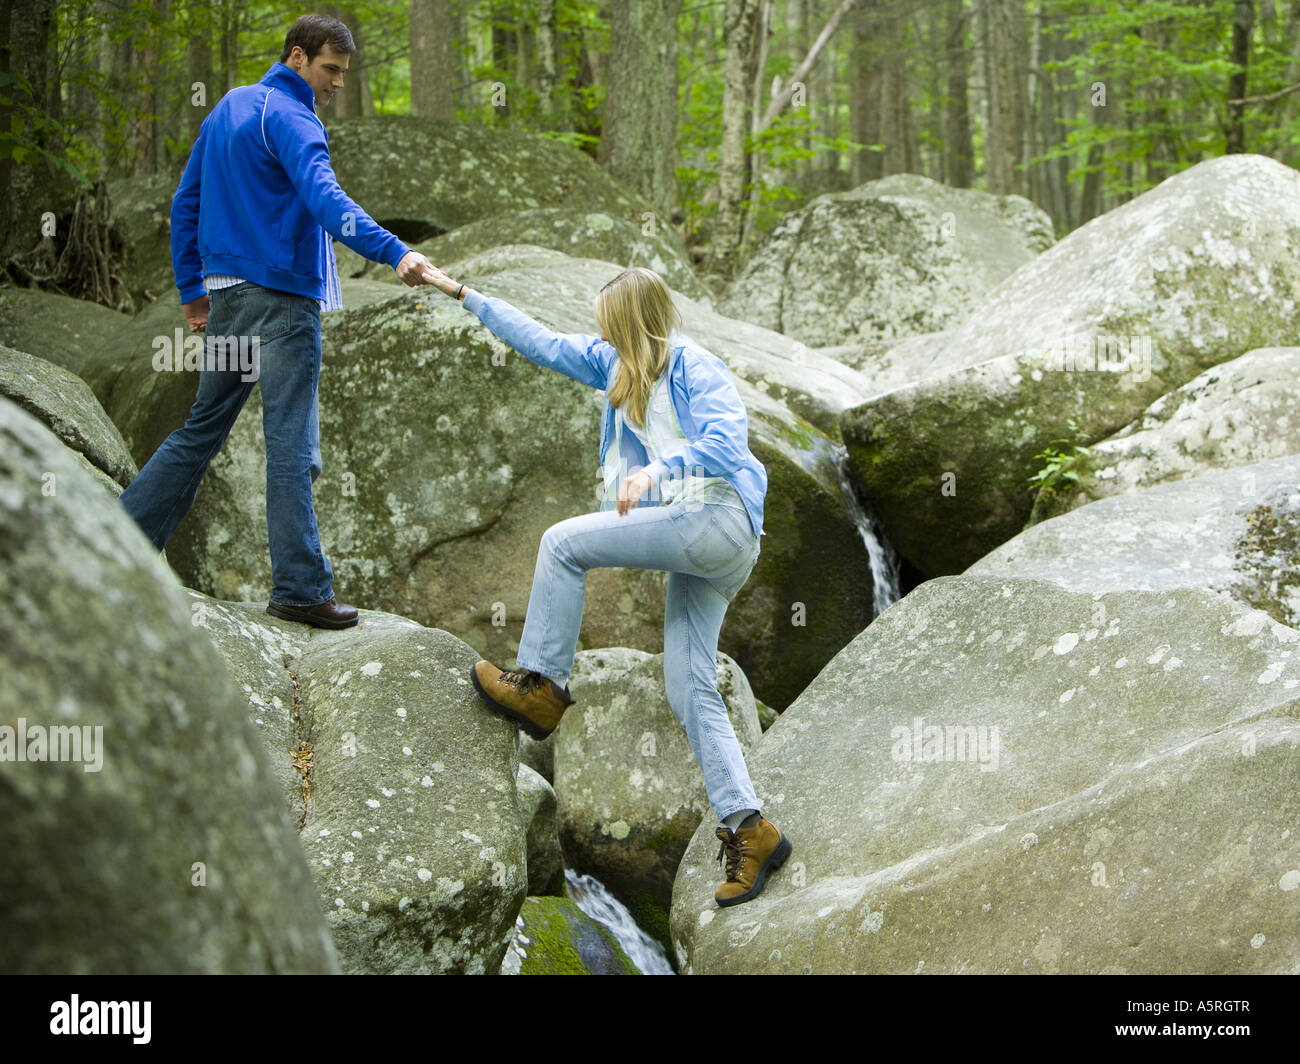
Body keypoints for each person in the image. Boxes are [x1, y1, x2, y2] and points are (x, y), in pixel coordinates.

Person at [420, 262, 792, 908]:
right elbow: (540, 343)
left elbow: (729, 441)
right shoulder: (617, 370)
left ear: (633, 326)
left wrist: (658, 472)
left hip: (722, 520)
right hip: (697, 537)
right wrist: (461, 292)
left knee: (562, 544)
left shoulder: (693, 367)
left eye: (610, 329)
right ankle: (749, 828)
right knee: (688, 683)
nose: (601, 341)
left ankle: (540, 686)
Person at [117, 13, 438, 629]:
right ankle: (298, 588)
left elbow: (185, 206)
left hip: (229, 298)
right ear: (297, 57)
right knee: (291, 444)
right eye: (330, 70)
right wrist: (397, 251)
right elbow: (325, 200)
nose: (338, 83)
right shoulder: (293, 118)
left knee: (199, 432)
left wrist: (193, 294)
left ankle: (119, 542)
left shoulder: (227, 110)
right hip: (283, 304)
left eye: (343, 73)